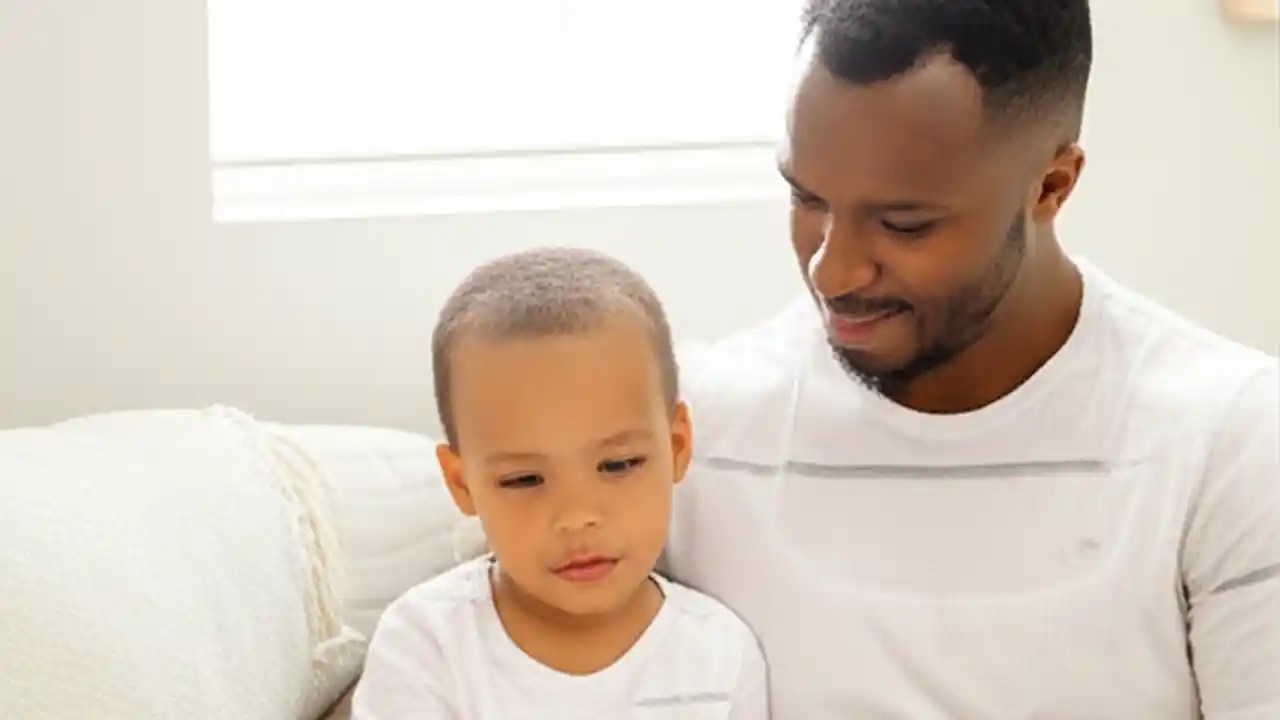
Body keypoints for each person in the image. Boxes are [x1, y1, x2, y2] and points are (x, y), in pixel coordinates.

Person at [663, 0, 1280, 717]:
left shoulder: (1231, 445)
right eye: (807, 198)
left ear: (1052, 187)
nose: (833, 271)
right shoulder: (688, 433)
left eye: (904, 224)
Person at [352, 248, 768, 719]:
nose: (576, 516)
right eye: (524, 479)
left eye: (618, 465)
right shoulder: (426, 646)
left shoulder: (718, 656)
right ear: (462, 484)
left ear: (675, 447)